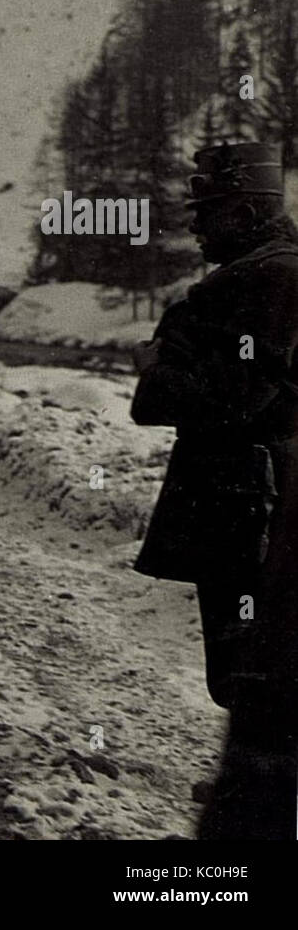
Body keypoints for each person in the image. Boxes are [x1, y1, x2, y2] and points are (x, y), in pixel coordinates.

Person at [131, 142, 298, 840]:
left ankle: (255, 812)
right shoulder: (278, 274)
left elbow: (229, 399)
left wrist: (159, 370)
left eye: (210, 213)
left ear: (246, 210)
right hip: (267, 498)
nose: (197, 229)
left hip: (241, 503)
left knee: (248, 672)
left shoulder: (250, 285)